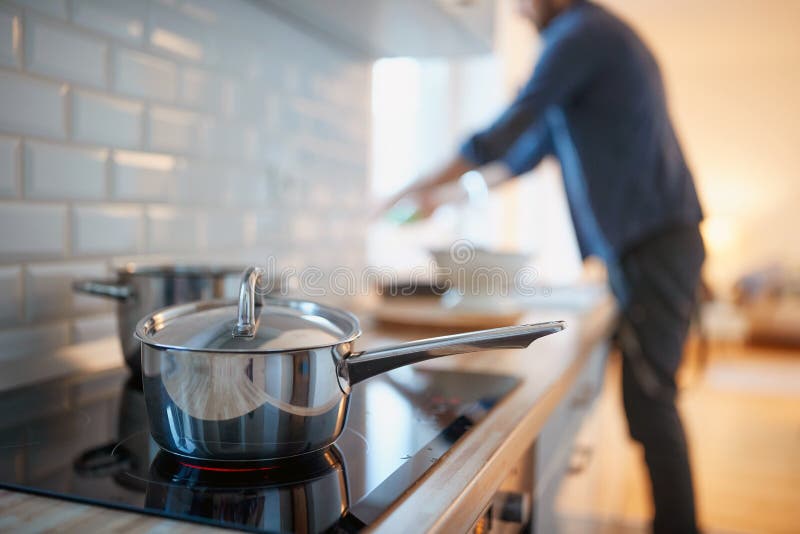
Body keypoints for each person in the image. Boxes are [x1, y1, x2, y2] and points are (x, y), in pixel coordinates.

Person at [383, 1, 705, 532]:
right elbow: (523, 154)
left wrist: (417, 186)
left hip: (655, 247)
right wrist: (444, 197)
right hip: (650, 247)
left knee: (652, 407)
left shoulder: (582, 35)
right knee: (649, 407)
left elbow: (508, 129)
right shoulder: (588, 44)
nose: (518, 12)